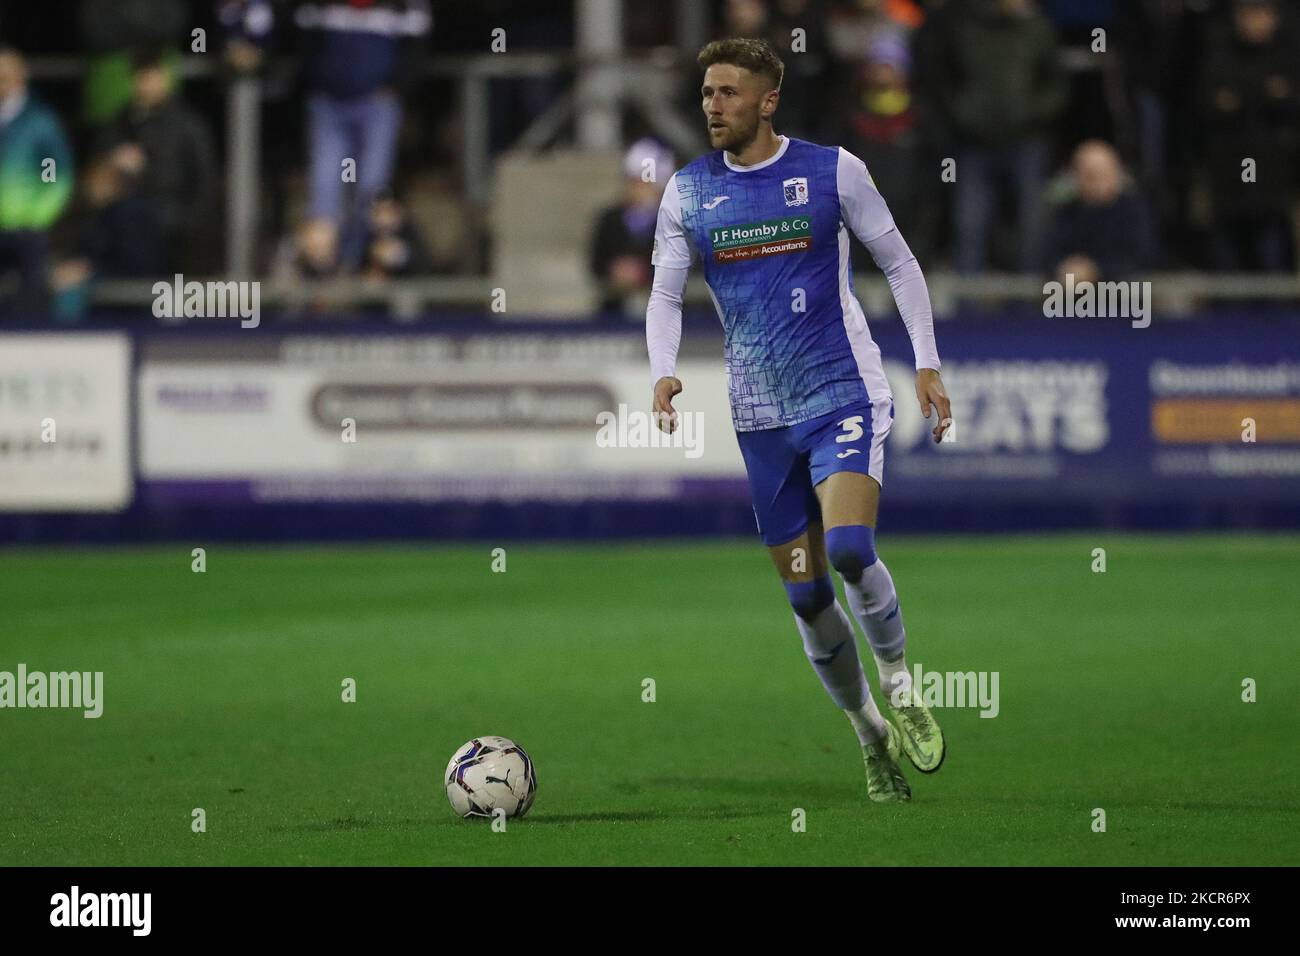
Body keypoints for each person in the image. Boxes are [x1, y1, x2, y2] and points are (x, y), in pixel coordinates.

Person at [646, 38, 951, 803]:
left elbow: (901, 263)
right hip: (759, 418)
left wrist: (927, 360)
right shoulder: (687, 192)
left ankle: (901, 683)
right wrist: (664, 371)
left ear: (767, 100)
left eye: (727, 92)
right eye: (706, 92)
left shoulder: (833, 170)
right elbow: (661, 296)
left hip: (842, 392)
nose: (712, 105)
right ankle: (870, 735)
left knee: (849, 549)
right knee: (807, 597)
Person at [0, 46, 74, 317]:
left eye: (5, 75)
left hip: (27, 229)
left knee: (31, 293)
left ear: (21, 77)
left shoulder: (39, 122)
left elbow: (55, 175)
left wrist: (37, 215)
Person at [589, 139, 673, 316]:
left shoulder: (674, 222)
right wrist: (614, 270)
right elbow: (596, 261)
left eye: (644, 182)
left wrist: (643, 272)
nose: (638, 188)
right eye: (633, 181)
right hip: (614, 310)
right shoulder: (610, 219)